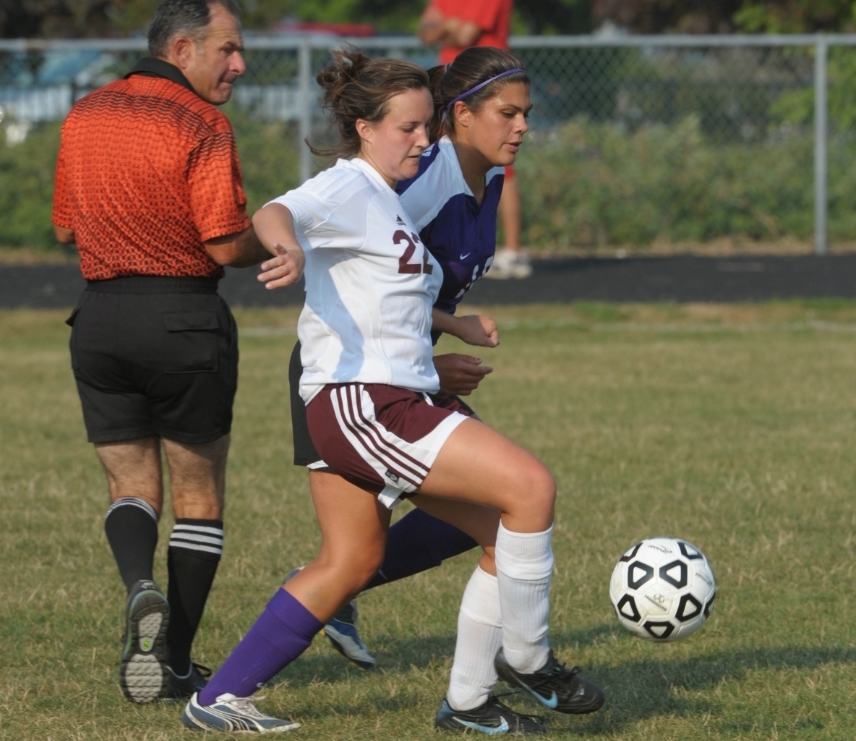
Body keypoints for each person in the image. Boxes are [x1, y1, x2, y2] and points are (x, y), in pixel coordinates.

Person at [181, 48, 603, 735]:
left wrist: (447, 328)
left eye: (424, 126)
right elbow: (278, 210)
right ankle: (526, 656)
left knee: (358, 558)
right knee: (528, 489)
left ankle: (222, 695)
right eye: (410, 127)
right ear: (366, 127)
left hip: (388, 389)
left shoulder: (386, 195)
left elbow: (386, 288)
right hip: (363, 398)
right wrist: (285, 247)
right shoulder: (352, 186)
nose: (423, 140)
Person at [52, 0, 270, 704]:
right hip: (182, 319)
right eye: (228, 50)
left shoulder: (84, 112)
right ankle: (174, 660)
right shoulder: (202, 123)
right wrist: (276, 234)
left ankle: (138, 585)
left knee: (130, 487)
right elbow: (224, 245)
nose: (239, 65)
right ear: (182, 48)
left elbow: (63, 228)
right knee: (198, 497)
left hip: (100, 319)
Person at [419, 0, 532, 279]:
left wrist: (444, 26)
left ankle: (513, 251)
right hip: (455, 87)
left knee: (502, 170)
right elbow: (424, 32)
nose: (523, 126)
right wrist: (450, 26)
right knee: (439, 159)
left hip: (488, 87)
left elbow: (465, 35)